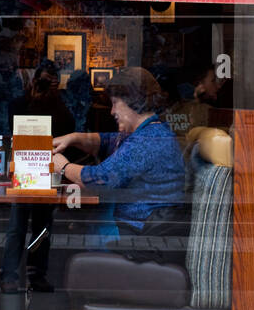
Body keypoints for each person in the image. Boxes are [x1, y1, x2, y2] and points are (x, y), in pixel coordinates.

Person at [52, 67, 185, 250]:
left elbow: (100, 179)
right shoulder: (149, 131)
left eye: (115, 103)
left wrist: (63, 166)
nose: (112, 111)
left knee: (65, 233)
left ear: (133, 101)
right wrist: (74, 137)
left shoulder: (147, 141)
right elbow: (107, 141)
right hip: (135, 229)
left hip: (136, 237)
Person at [0, 59, 75, 293]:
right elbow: (15, 126)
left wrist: (50, 100)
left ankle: (36, 273)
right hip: (24, 168)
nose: (46, 86)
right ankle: (10, 274)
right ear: (34, 80)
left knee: (42, 227)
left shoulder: (60, 107)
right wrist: (36, 99)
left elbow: (67, 129)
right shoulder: (20, 103)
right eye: (43, 81)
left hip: (48, 170)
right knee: (17, 226)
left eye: (51, 82)